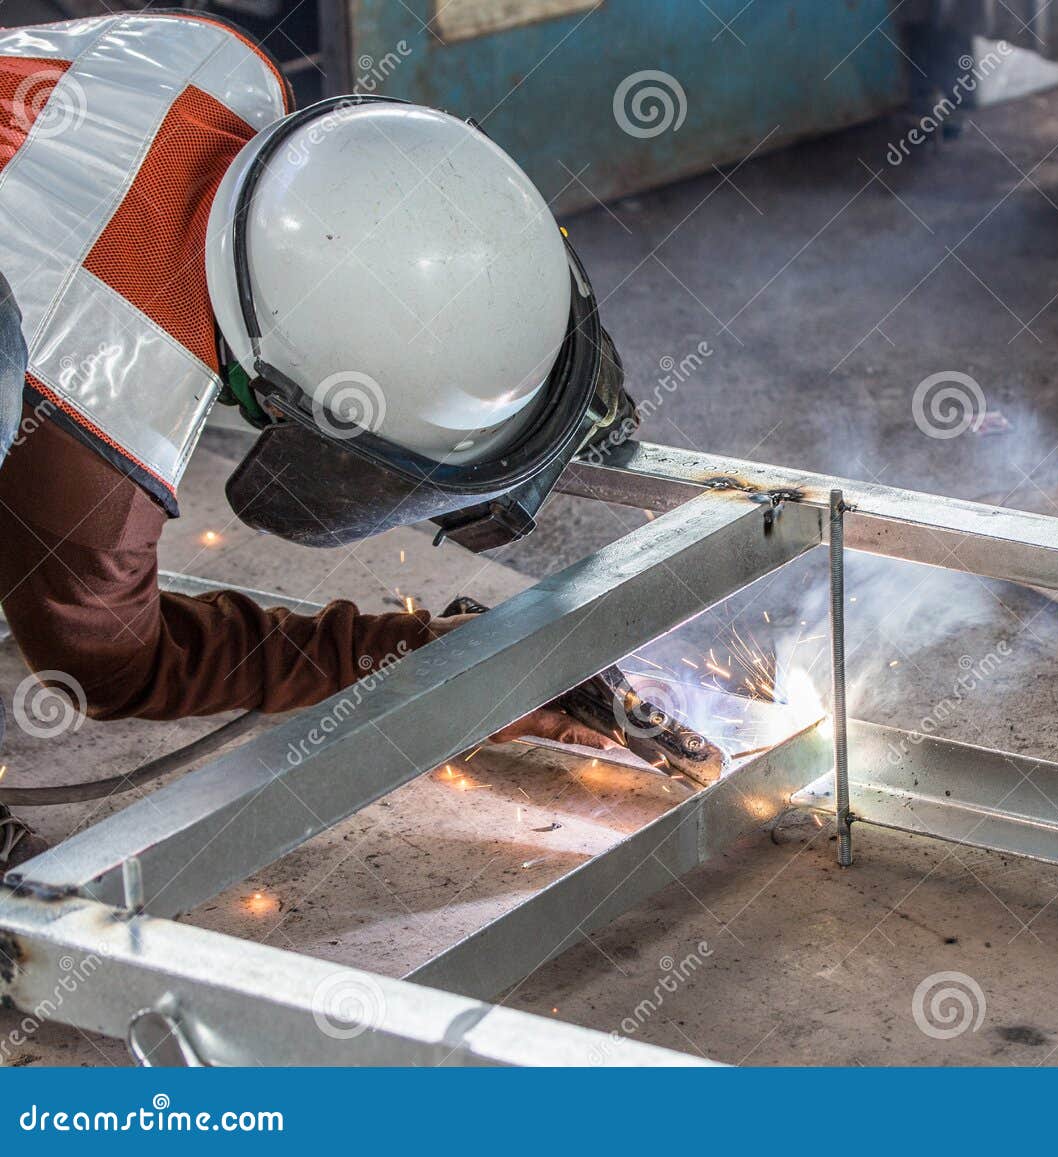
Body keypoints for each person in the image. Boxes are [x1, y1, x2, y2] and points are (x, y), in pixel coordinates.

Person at [0, 10, 634, 866]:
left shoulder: (207, 68)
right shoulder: (95, 434)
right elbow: (117, 664)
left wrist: (419, 655)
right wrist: (395, 655)